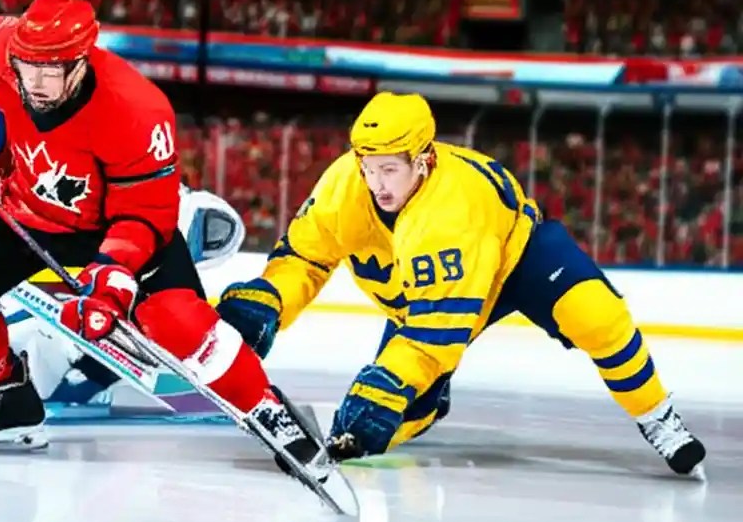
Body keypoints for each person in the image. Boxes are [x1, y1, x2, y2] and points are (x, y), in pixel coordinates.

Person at [0, 0, 318, 467]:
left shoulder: (137, 108)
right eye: (27, 68)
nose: (36, 84)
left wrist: (111, 283)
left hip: (114, 221)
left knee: (177, 321)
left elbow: (143, 215)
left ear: (80, 62)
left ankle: (268, 411)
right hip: (25, 210)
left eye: (51, 71)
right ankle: (10, 399)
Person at [216, 91, 706, 476]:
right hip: (431, 301)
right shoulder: (345, 186)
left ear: (423, 160)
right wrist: (271, 298)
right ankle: (412, 411)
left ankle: (657, 415)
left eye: (390, 169)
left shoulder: (452, 210)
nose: (377, 184)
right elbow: (305, 255)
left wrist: (387, 385)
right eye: (368, 168)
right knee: (388, 419)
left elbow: (436, 335)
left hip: (519, 258)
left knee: (598, 317)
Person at [0, 70, 245, 422]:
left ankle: (78, 354)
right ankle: (31, 364)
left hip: (68, 213)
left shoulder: (93, 93)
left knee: (104, 264)